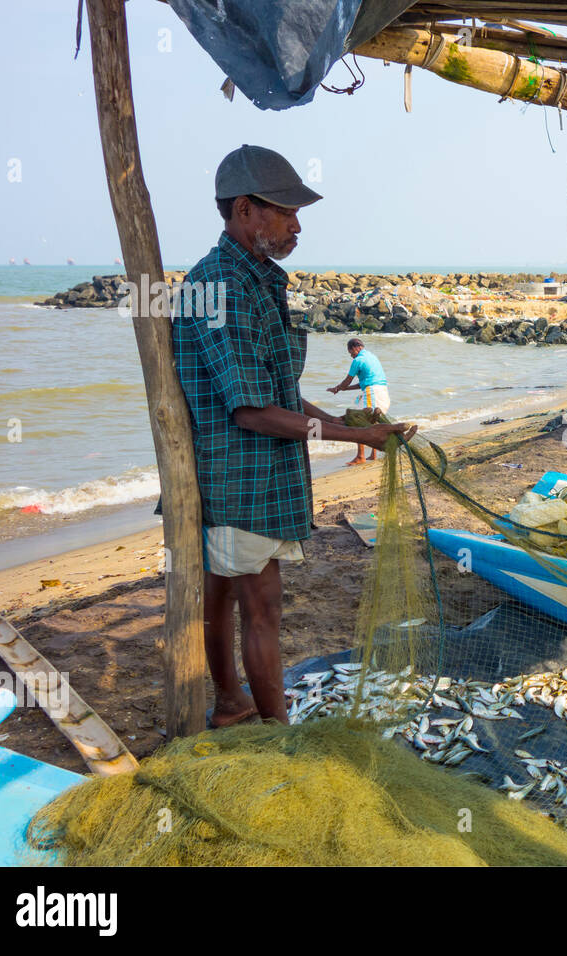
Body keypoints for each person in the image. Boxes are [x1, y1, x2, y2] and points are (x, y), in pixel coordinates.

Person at [173, 145, 417, 726]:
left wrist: (354, 426)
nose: (296, 224)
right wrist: (346, 434)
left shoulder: (255, 280)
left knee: (225, 595)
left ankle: (232, 703)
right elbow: (252, 413)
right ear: (243, 211)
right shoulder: (223, 287)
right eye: (284, 211)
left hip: (256, 475)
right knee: (262, 610)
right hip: (240, 477)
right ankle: (276, 731)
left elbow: (278, 393)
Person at [328, 338, 391, 464]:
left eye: (350, 352)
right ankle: (373, 454)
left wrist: (337, 388)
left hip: (372, 392)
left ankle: (360, 456)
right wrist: (343, 389)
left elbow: (347, 380)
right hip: (382, 391)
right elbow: (362, 383)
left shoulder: (358, 360)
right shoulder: (371, 356)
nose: (351, 356)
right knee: (372, 422)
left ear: (356, 348)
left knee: (359, 422)